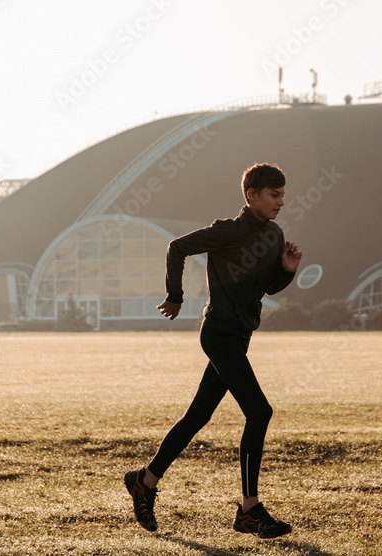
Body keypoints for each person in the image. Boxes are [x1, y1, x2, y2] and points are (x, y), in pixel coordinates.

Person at [124, 163, 302, 539]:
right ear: (252, 194)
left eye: (283, 195)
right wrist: (175, 295)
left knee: (197, 417)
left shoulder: (274, 235)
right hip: (218, 333)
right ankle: (249, 510)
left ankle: (145, 479)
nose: (281, 202)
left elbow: (267, 287)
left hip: (240, 336)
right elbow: (177, 248)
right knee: (259, 411)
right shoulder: (226, 231)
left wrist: (286, 270)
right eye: (274, 195)